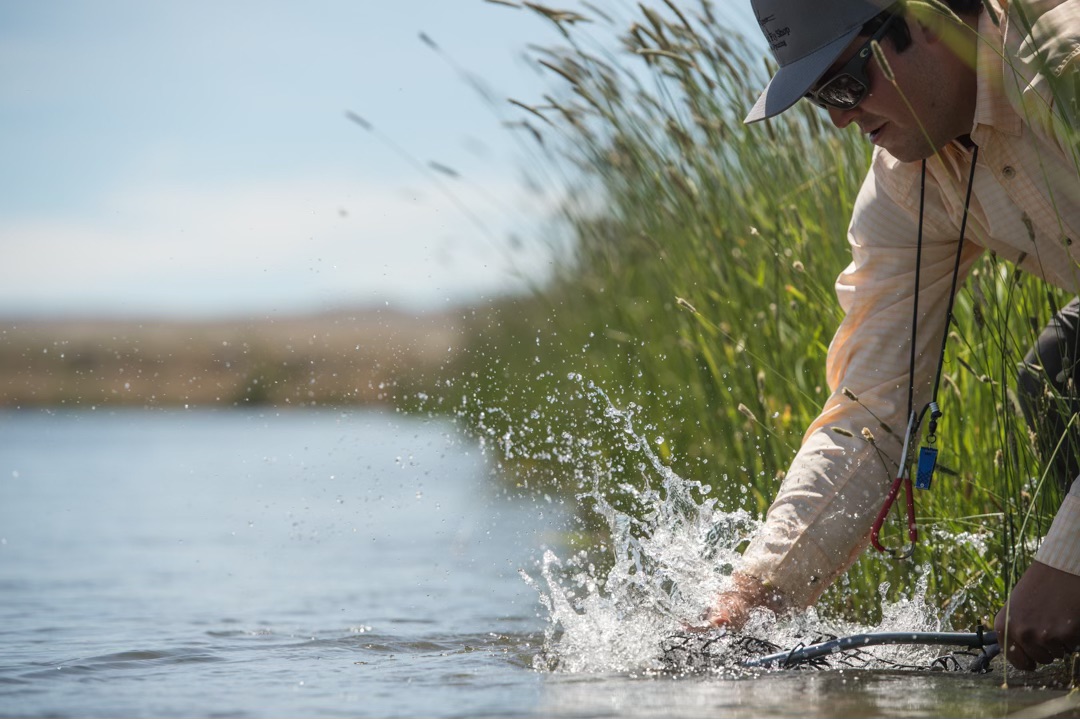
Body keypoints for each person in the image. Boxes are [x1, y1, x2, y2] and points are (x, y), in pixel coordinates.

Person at [707, 0, 1080, 671]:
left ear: (924, 19)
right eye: (820, 97)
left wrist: (1069, 559)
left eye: (846, 82)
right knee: (1056, 377)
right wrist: (746, 608)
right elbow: (873, 414)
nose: (841, 117)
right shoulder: (908, 183)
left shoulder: (1063, 65)